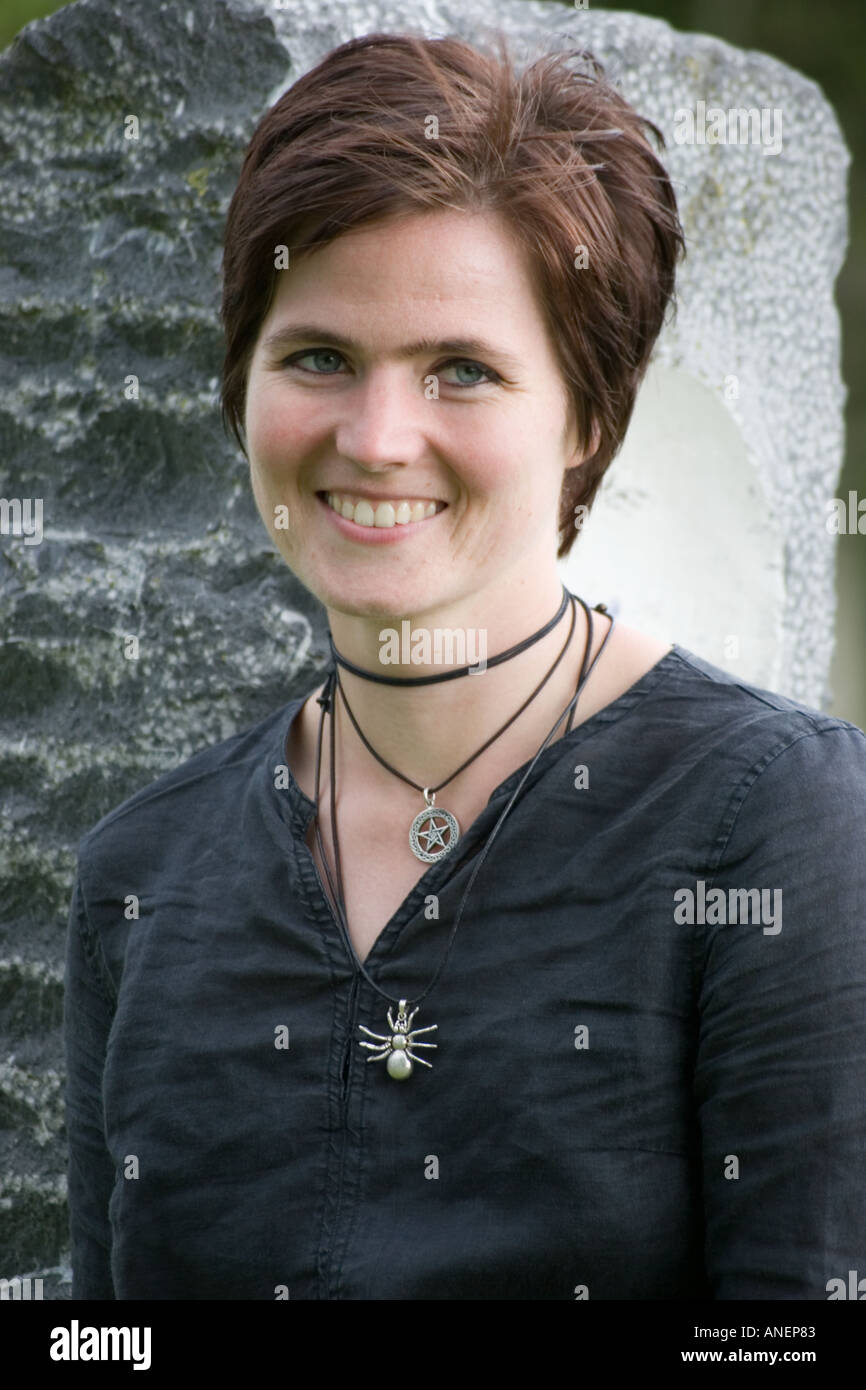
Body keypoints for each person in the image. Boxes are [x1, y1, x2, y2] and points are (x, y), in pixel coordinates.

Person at [64, 31, 866, 1301]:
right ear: (243, 383)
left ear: (587, 417)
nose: (377, 438)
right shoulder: (138, 874)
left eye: (462, 371)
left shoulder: (774, 822)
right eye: (318, 356)